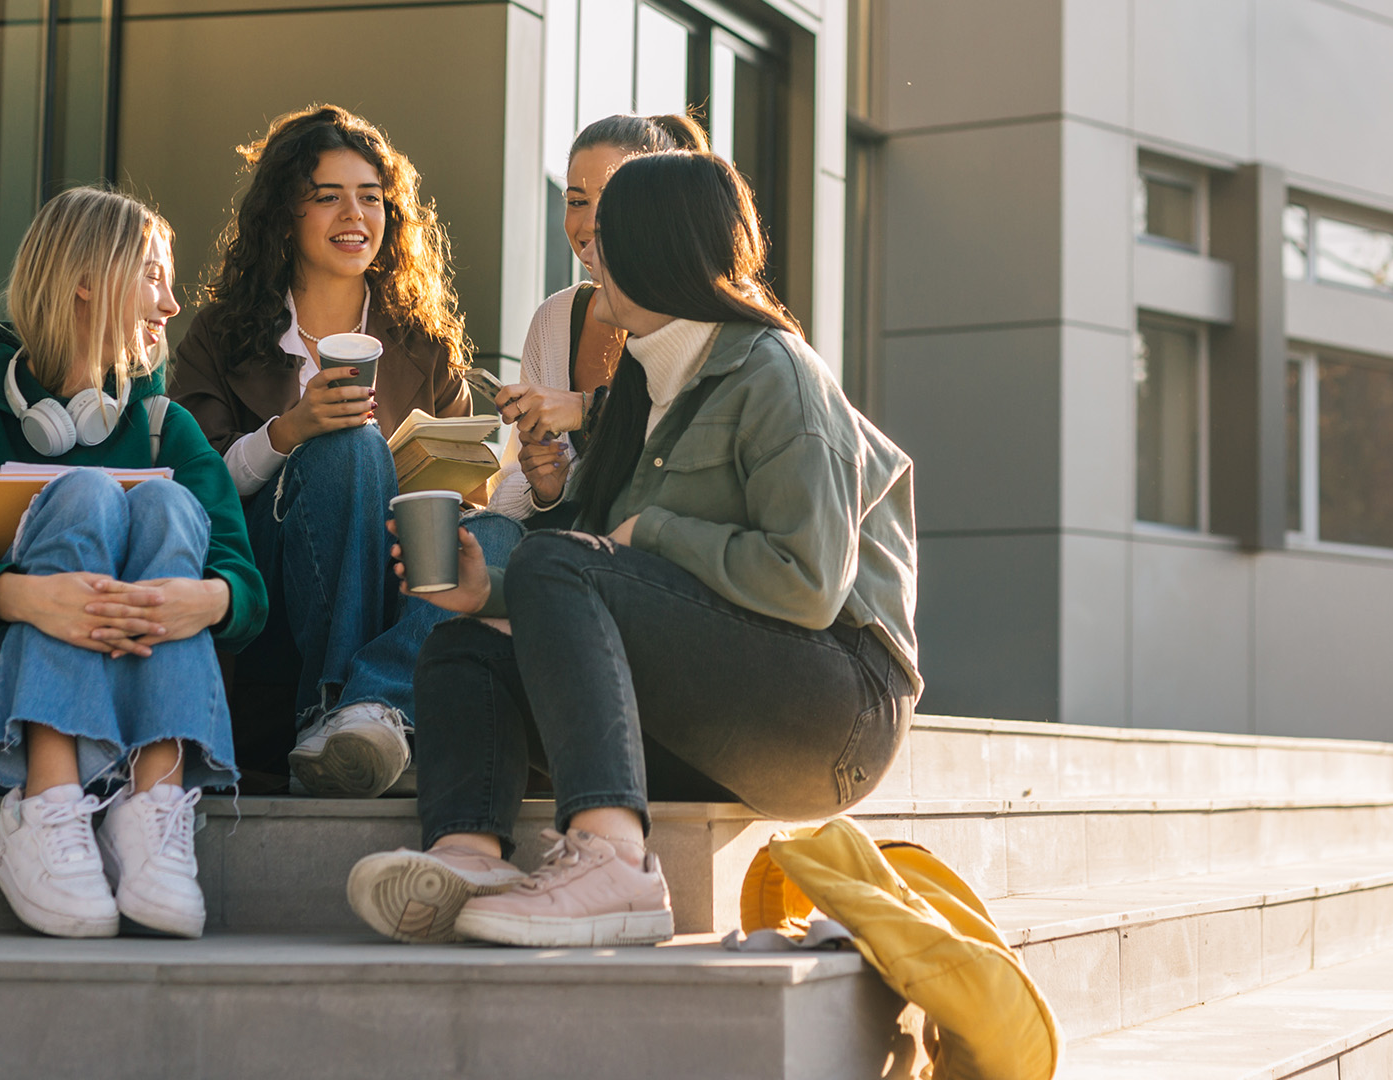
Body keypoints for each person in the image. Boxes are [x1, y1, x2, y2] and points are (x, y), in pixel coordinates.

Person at [346, 151, 922, 948]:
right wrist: (492, 593)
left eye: (607, 235)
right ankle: (468, 855)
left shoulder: (776, 373)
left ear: (655, 247)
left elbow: (811, 582)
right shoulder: (641, 394)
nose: (591, 252)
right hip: (714, 713)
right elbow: (606, 589)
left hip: (835, 711)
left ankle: (615, 864)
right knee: (461, 648)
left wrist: (647, 533)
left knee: (558, 560)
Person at [0, 186, 266, 939]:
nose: (170, 304)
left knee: (164, 507)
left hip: (133, 721)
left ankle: (153, 811)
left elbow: (244, 582)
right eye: (154, 276)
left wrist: (209, 602)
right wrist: (26, 598)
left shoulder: (166, 427)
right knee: (86, 495)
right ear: (88, 276)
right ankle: (47, 806)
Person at [171, 104, 521, 798]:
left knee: (503, 534)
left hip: (393, 581)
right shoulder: (222, 335)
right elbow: (191, 484)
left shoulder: (422, 343)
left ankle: (369, 706)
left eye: (370, 197)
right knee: (350, 449)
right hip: (270, 594)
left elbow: (467, 499)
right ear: (284, 215)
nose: (353, 215)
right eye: (326, 197)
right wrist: (288, 432)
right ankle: (331, 709)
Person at [486, 113, 709, 523]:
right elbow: (507, 491)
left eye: (609, 200)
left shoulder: (700, 323)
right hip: (565, 556)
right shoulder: (555, 320)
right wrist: (546, 489)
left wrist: (587, 409)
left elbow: (695, 454)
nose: (588, 223)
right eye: (576, 202)